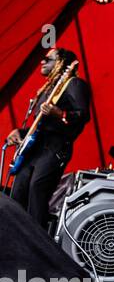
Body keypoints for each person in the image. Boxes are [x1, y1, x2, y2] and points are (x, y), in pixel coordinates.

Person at [4, 48, 92, 230]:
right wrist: (20, 132)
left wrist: (59, 113)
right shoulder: (49, 89)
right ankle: (13, 236)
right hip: (35, 147)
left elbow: (82, 115)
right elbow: (41, 125)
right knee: (18, 190)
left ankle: (37, 242)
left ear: (61, 64)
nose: (42, 62)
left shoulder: (74, 84)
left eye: (48, 59)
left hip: (55, 147)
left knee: (37, 190)